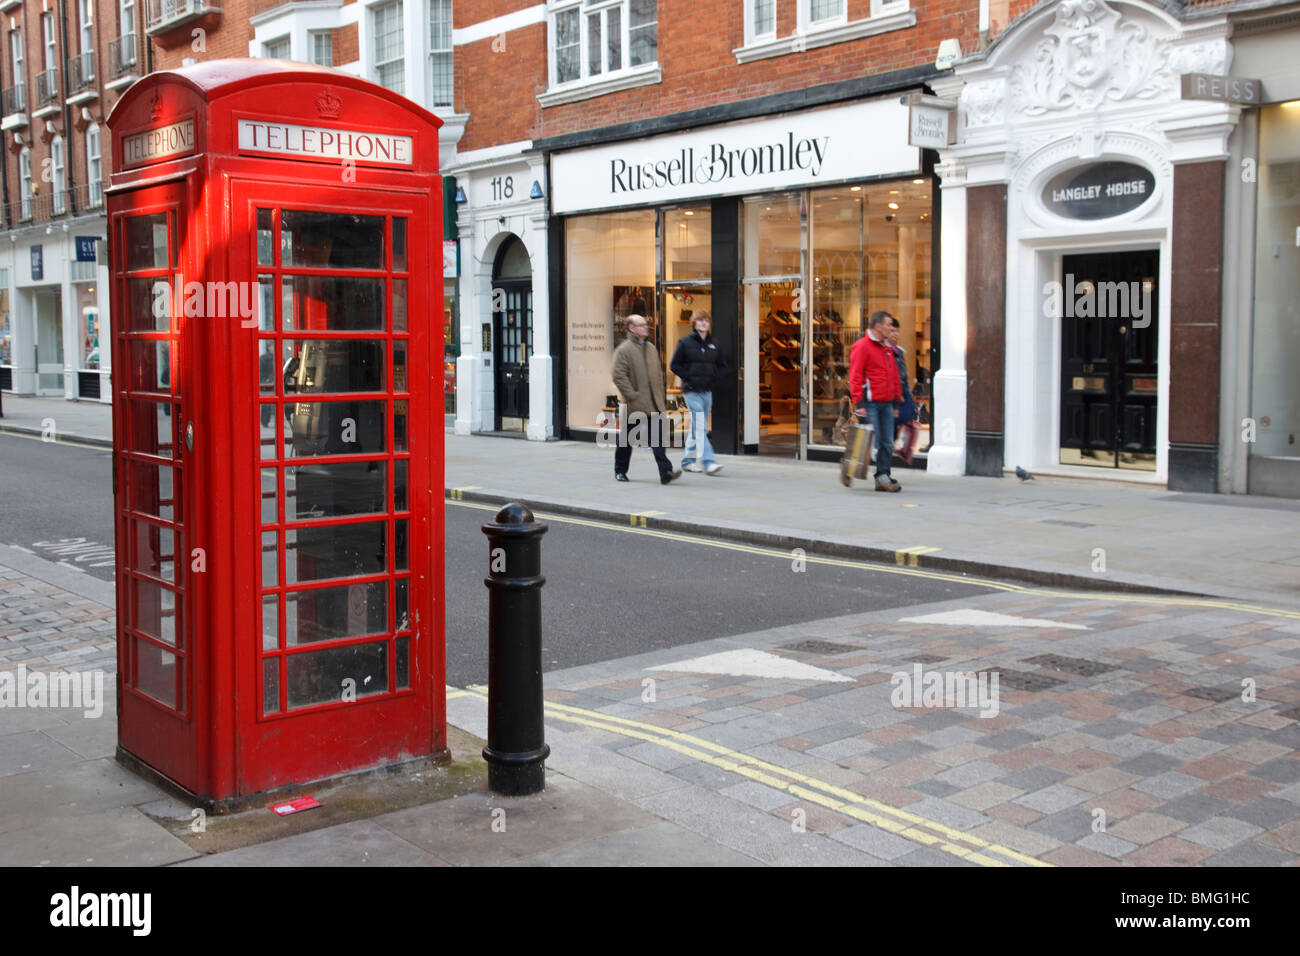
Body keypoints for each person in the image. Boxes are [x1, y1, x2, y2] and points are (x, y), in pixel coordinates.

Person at [611, 314, 682, 485]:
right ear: (631, 328)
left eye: (646, 324)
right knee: (627, 441)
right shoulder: (624, 350)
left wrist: (660, 397)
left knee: (658, 440)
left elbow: (657, 375)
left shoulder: (651, 348)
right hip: (635, 405)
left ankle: (666, 472)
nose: (646, 327)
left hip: (655, 403)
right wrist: (632, 396)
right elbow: (618, 375)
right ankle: (620, 470)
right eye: (641, 325)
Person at [847, 310, 902, 491]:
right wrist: (859, 403)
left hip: (886, 402)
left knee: (886, 441)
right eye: (888, 325)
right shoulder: (862, 346)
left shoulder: (886, 348)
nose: (890, 328)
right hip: (870, 402)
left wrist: (896, 400)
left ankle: (882, 476)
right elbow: (855, 376)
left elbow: (894, 375)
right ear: (878, 326)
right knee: (869, 440)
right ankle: (850, 467)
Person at [669, 310, 726, 475]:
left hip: (707, 392)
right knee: (701, 426)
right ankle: (709, 462)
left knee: (696, 426)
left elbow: (722, 365)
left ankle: (688, 461)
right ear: (694, 323)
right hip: (692, 391)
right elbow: (675, 365)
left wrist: (714, 378)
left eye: (706, 321)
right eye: (700, 321)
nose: (703, 324)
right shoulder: (685, 342)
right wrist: (689, 378)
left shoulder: (714, 343)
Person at [887, 316, 919, 465]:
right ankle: (884, 459)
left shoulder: (899, 352)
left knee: (906, 421)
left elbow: (903, 378)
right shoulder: (884, 351)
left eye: (897, 331)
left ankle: (900, 449)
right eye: (892, 330)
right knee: (890, 429)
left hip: (902, 395)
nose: (895, 334)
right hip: (891, 398)